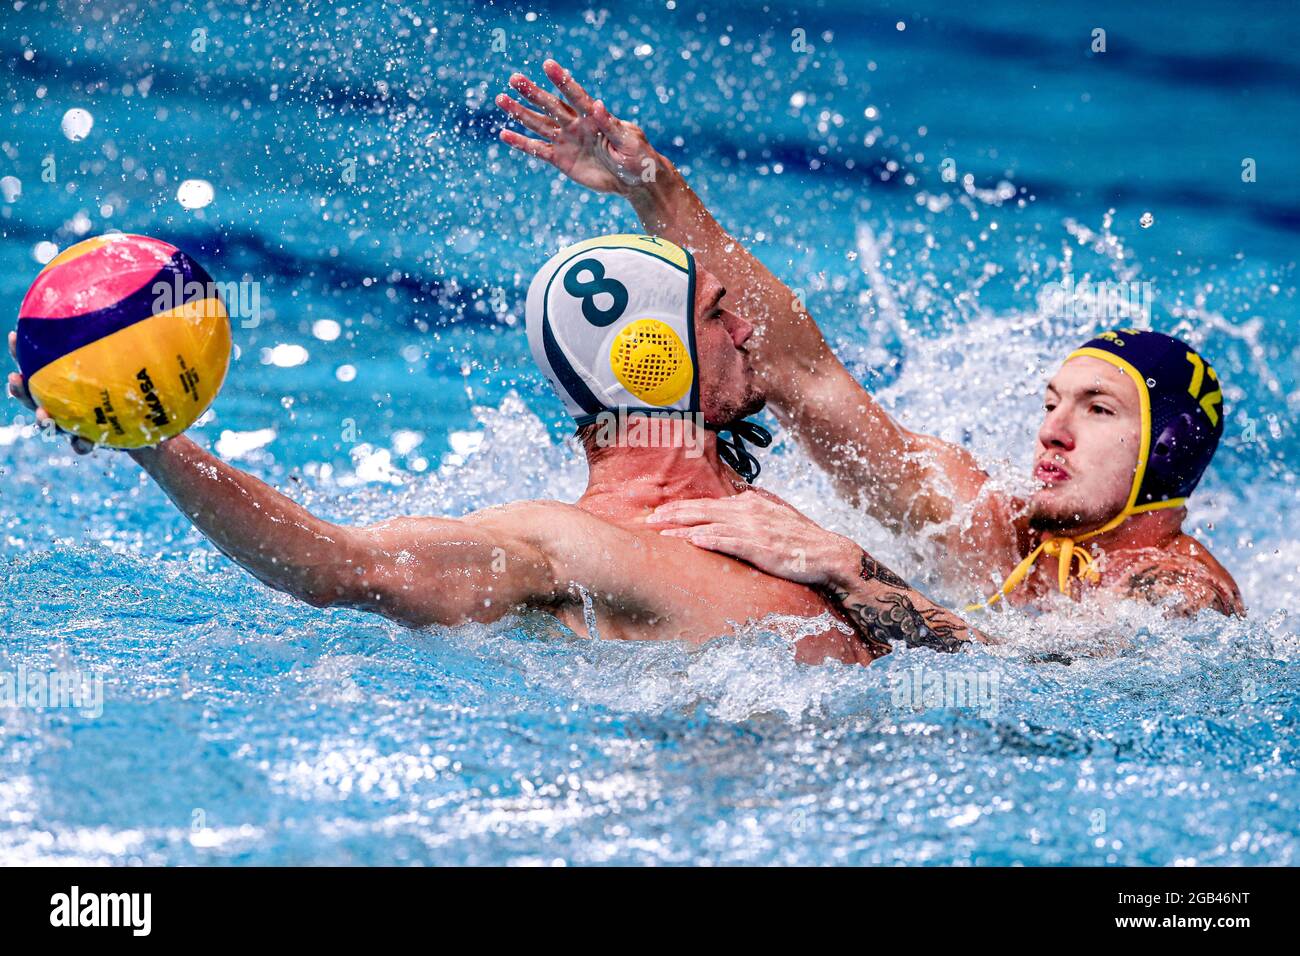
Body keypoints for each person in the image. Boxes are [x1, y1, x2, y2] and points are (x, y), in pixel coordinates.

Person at [7, 234, 984, 667]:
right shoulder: (561, 543)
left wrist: (856, 572)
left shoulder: (791, 531)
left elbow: (1000, 670)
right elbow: (335, 565)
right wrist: (154, 443)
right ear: (652, 358)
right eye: (721, 316)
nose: (748, 334)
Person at [496, 62, 1243, 617]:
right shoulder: (986, 522)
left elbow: (1056, 700)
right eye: (1053, 403)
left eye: (1098, 410)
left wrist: (850, 568)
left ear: (1167, 447)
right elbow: (800, 373)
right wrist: (652, 187)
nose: (1052, 430)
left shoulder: (1176, 593)